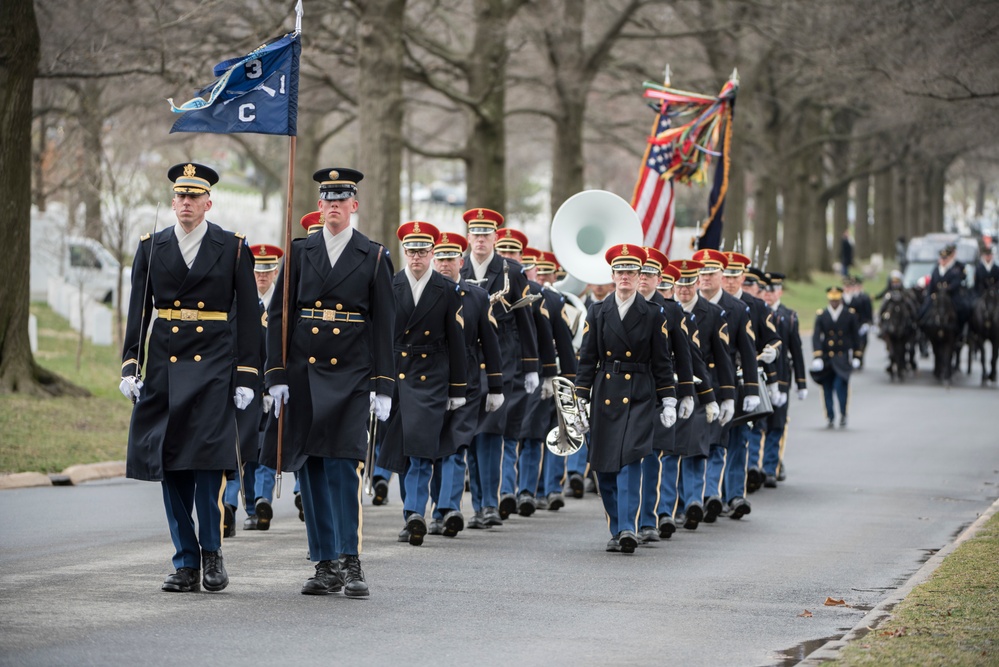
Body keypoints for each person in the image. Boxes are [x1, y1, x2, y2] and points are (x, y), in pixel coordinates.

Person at [119, 162, 260, 593]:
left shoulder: (233, 247)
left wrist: (247, 375)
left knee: (206, 464)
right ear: (173, 200)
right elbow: (139, 310)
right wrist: (130, 364)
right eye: (180, 196)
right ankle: (185, 560)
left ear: (208, 203)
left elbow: (250, 318)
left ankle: (212, 552)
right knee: (169, 462)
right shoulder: (152, 246)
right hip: (164, 362)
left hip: (215, 363)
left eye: (194, 197)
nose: (185, 203)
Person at [264, 167, 395, 597]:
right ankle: (324, 563)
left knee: (343, 468)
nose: (333, 207)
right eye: (327, 200)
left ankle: (350, 559)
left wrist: (384, 384)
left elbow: (383, 326)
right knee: (312, 469)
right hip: (304, 373)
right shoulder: (300, 252)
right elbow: (281, 316)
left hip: (352, 374)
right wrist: (277, 373)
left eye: (341, 201)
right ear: (318, 206)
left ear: (353, 206)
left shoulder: (373, 255)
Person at [574, 244, 676, 553]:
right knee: (604, 464)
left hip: (639, 392)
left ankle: (629, 527)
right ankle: (617, 527)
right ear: (613, 275)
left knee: (632, 459)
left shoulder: (653, 313)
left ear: (639, 275)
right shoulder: (598, 311)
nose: (626, 277)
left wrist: (668, 398)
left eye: (632, 272)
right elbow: (587, 359)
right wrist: (580, 397)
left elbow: (662, 361)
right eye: (621, 272)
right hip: (606, 389)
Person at [376, 222, 467, 546]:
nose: (417, 257)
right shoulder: (390, 283)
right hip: (397, 373)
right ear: (405, 252)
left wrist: (457, 388)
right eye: (412, 251)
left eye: (423, 251)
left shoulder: (446, 289)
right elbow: (380, 335)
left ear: (432, 253)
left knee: (420, 452)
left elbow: (457, 342)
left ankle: (415, 513)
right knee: (402, 450)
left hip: (431, 376)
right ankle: (411, 514)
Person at [459, 208, 538, 529]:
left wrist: (531, 366)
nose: (480, 239)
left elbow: (525, 321)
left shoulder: (511, 271)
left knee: (490, 432)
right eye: (475, 234)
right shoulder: (457, 267)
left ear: (495, 237)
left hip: (501, 361)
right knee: (472, 434)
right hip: (465, 362)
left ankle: (488, 504)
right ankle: (478, 502)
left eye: (486, 234)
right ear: (468, 237)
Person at [428, 232, 504, 537]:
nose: (446, 265)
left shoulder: (477, 296)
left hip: (469, 382)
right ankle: (436, 509)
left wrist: (496, 387)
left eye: (451, 259)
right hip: (431, 380)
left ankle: (449, 508)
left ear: (462, 261)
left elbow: (490, 342)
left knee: (456, 446)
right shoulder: (425, 294)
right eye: (441, 259)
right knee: (434, 448)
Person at [694, 249, 763, 521]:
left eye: (711, 273)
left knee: (731, 442)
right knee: (700, 443)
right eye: (702, 273)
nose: (706, 278)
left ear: (721, 276)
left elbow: (747, 352)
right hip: (698, 384)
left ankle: (729, 495)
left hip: (728, 383)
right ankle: (705, 495)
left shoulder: (738, 309)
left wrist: (752, 389)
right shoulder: (686, 305)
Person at [492, 229, 557, 519]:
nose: (507, 259)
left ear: (522, 258)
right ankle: (506, 492)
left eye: (512, 254)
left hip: (526, 373)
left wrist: (548, 375)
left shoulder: (539, 295)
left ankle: (527, 491)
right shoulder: (484, 286)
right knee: (503, 433)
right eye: (502, 253)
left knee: (530, 434)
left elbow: (543, 337)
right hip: (497, 371)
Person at [635, 247, 698, 544]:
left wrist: (685, 393)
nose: (644, 279)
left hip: (659, 392)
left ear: (658, 277)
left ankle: (653, 516)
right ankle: (629, 517)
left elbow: (684, 356)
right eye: (641, 273)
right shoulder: (619, 304)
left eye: (649, 274)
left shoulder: (671, 310)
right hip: (625, 391)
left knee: (653, 456)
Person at [223, 243, 284, 534]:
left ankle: (259, 502)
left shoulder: (281, 304)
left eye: (267, 270)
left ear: (275, 272)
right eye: (256, 270)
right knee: (241, 451)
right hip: (242, 388)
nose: (261, 276)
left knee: (265, 450)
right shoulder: (238, 304)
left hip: (270, 388)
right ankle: (232, 507)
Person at [672, 259, 732, 531]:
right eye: (679, 284)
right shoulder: (663, 311)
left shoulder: (714, 313)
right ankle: (675, 504)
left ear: (697, 283)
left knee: (697, 448)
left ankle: (695, 500)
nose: (684, 289)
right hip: (669, 387)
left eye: (688, 283)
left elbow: (722, 357)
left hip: (702, 387)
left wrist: (727, 395)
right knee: (673, 450)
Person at [752, 272, 805, 487]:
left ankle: (770, 468)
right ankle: (753, 467)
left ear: (779, 292)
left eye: (772, 290)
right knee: (757, 423)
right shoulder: (755, 312)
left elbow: (796, 352)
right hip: (759, 377)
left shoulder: (788, 316)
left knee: (776, 425)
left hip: (781, 379)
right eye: (764, 290)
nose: (768, 294)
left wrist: (801, 382)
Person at [810, 286, 862, 428]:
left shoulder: (849, 315)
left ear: (840, 300)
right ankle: (830, 416)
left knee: (841, 386)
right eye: (832, 300)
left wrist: (857, 356)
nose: (834, 303)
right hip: (827, 358)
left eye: (836, 300)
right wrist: (818, 356)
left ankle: (843, 413)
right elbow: (816, 336)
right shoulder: (822, 314)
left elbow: (856, 337)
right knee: (826, 388)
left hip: (842, 357)